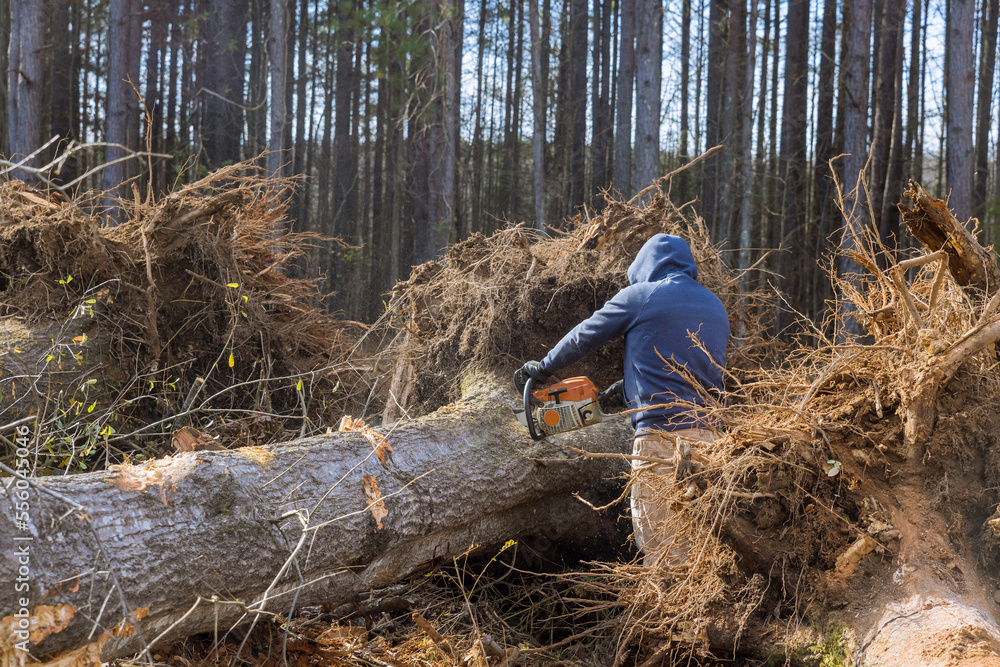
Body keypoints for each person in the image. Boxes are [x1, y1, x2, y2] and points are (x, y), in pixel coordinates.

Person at [517, 233, 729, 565]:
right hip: (712, 442)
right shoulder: (714, 305)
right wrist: (630, 388)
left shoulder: (643, 295)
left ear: (645, 266)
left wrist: (543, 367)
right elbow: (688, 364)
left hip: (661, 440)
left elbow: (587, 334)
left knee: (661, 546)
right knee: (699, 544)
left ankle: (668, 600)